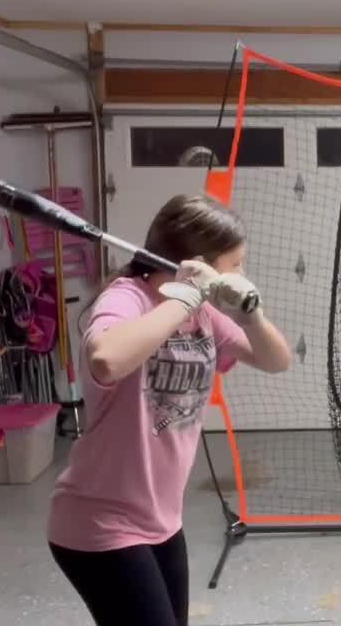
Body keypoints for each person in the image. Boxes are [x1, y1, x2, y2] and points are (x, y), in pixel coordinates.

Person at [46, 194, 292, 626]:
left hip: (161, 520)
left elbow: (276, 360)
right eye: (234, 265)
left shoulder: (206, 317)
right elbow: (106, 359)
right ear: (200, 263)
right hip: (100, 521)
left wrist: (250, 311)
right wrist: (186, 297)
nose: (239, 273)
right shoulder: (129, 298)